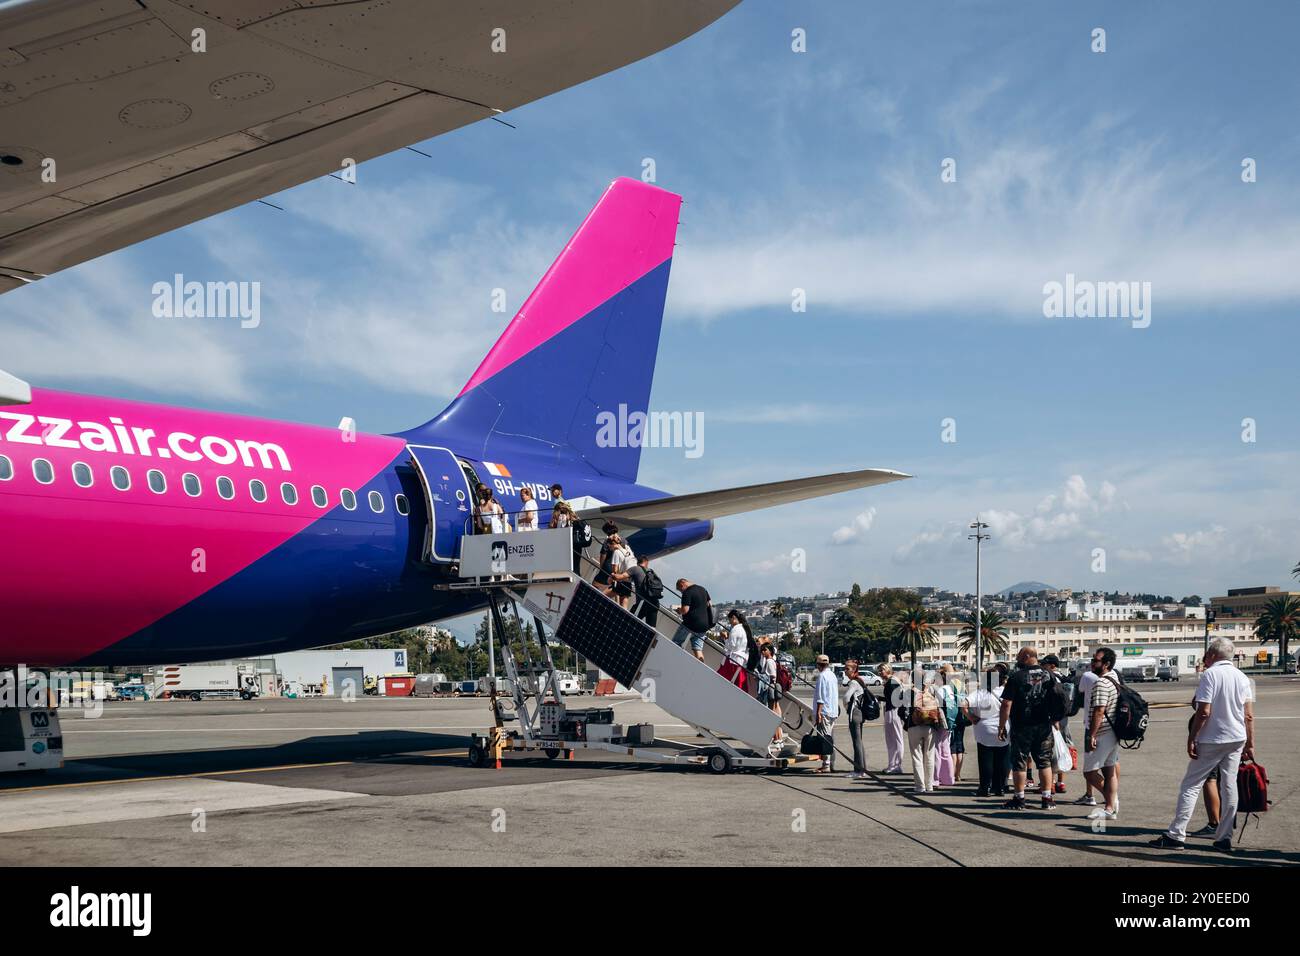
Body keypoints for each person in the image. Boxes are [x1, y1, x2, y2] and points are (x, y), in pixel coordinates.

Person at [1151, 637, 1256, 852]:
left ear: (1214, 655)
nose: (1206, 658)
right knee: (1229, 786)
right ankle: (1224, 837)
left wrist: (1192, 737)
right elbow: (1248, 716)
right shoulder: (1242, 677)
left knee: (1191, 784)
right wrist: (1250, 743)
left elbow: (1204, 711)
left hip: (1212, 738)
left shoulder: (1210, 675)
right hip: (1237, 737)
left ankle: (1176, 834)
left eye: (1207, 655)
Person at [998, 648, 1061, 811]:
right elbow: (1056, 697)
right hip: (1044, 725)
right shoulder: (1049, 674)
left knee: (1019, 762)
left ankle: (1019, 799)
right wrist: (1055, 719)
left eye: (1019, 656)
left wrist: (1001, 726)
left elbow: (1006, 704)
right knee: (1044, 761)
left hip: (1022, 726)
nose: (1017, 659)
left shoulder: (1017, 676)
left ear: (1026, 656)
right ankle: (1047, 798)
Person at [1082, 647, 1122, 823]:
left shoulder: (1101, 683)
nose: (1092, 663)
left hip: (1103, 732)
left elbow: (1099, 710)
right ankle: (1110, 808)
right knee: (1110, 771)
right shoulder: (1114, 678)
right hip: (1114, 732)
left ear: (1106, 664)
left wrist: (1092, 734)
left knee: (1089, 773)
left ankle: (1112, 803)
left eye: (1096, 660)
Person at [965, 662, 1010, 797]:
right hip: (1003, 727)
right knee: (1002, 759)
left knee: (985, 759)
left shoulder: (979, 693)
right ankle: (1000, 788)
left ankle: (984, 788)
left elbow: (964, 705)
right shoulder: (1005, 692)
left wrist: (971, 718)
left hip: (984, 729)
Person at [1073, 656, 1103, 807]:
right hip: (1110, 725)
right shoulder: (1114, 675)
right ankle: (1112, 792)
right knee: (1111, 763)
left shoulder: (1087, 676)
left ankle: (1091, 795)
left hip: (1091, 724)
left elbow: (1080, 690)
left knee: (1089, 764)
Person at [904, 668, 939, 794]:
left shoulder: (909, 692)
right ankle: (929, 785)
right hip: (930, 726)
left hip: (914, 726)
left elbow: (903, 710)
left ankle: (920, 786)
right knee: (929, 756)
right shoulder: (931, 691)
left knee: (917, 756)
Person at [1041, 654, 1070, 795]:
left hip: (1053, 719)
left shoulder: (1050, 678)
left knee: (1051, 751)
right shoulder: (1064, 679)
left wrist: (1054, 718)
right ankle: (1060, 782)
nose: (1042, 666)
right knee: (1062, 749)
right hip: (1064, 719)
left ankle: (1050, 784)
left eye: (1045, 664)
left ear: (1052, 665)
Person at [932, 664, 960, 787]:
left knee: (937, 751)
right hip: (950, 722)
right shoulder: (950, 688)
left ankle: (936, 778)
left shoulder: (941, 689)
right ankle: (949, 778)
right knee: (946, 750)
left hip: (942, 722)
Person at [843, 660, 872, 779]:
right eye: (845, 668)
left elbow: (846, 697)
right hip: (860, 714)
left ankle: (858, 770)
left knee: (856, 742)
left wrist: (846, 707)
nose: (845, 671)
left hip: (854, 713)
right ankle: (862, 769)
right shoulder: (860, 681)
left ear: (854, 670)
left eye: (847, 669)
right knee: (859, 741)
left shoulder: (853, 682)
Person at [673, 578, 712, 662]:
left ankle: (674, 661)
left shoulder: (687, 592)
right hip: (703, 626)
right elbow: (709, 604)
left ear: (682, 584)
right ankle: (700, 668)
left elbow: (685, 610)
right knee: (698, 649)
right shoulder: (702, 589)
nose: (681, 592)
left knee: (675, 643)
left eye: (680, 590)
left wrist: (679, 610)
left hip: (690, 624)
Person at [813, 654, 839, 773]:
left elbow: (820, 697)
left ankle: (826, 764)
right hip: (833, 710)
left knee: (824, 738)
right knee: (829, 737)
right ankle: (829, 763)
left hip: (825, 712)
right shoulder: (832, 675)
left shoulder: (822, 676)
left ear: (818, 665)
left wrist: (818, 713)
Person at [879, 664, 904, 774]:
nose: (880, 672)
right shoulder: (892, 681)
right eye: (879, 670)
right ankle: (892, 764)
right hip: (892, 711)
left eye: (882, 670)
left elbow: (896, 699)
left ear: (888, 670)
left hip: (894, 712)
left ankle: (896, 765)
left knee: (896, 739)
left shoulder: (892, 682)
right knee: (892, 740)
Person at [718, 610, 750, 690]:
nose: (730, 622)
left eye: (730, 620)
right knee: (738, 685)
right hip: (740, 661)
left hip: (732, 660)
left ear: (733, 618)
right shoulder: (744, 630)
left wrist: (725, 638)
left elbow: (731, 646)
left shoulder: (735, 629)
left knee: (721, 680)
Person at [757, 642, 783, 741]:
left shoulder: (769, 661)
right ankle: (777, 737)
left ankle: (776, 737)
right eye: (762, 650)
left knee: (772, 712)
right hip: (773, 687)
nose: (763, 652)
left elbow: (772, 675)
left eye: (765, 650)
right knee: (775, 711)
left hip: (770, 687)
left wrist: (762, 677)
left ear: (770, 651)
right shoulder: (771, 661)